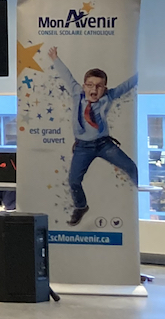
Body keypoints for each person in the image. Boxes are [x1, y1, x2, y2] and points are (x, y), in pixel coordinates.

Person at [48, 46, 139, 225]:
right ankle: (81, 206)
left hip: (104, 144)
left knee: (131, 167)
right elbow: (67, 76)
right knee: (73, 180)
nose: (94, 90)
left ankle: (136, 198)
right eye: (90, 85)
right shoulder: (77, 93)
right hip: (83, 147)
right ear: (84, 86)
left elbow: (127, 85)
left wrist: (143, 72)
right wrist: (55, 59)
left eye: (99, 86)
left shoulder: (109, 96)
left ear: (104, 88)